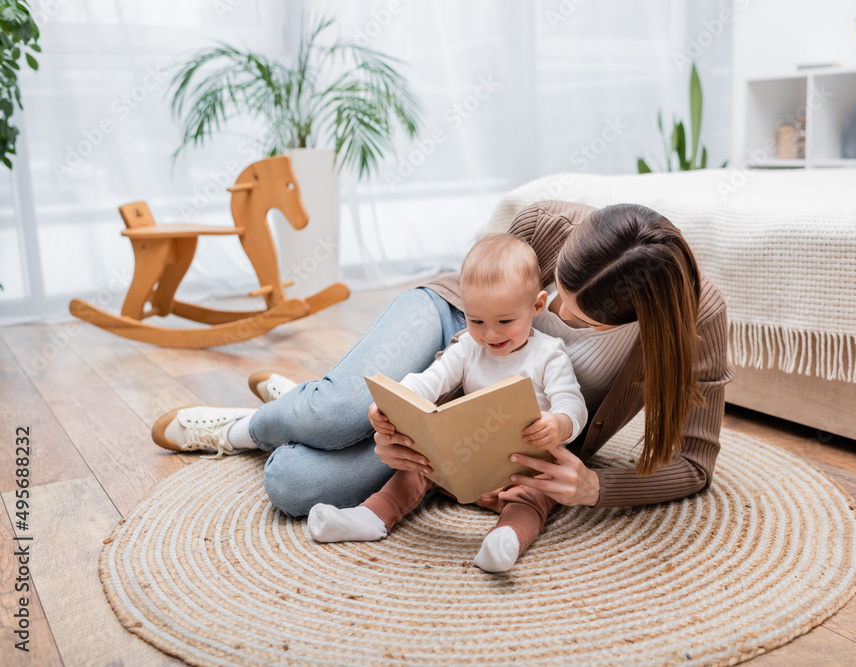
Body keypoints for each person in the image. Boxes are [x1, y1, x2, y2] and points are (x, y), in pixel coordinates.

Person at [152, 200, 733, 530]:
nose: (553, 309)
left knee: (293, 484)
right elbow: (476, 308)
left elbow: (693, 464)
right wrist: (413, 417)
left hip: (488, 419)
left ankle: (310, 403)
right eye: (555, 290)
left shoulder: (698, 318)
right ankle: (250, 425)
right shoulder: (550, 225)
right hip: (452, 330)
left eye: (576, 320)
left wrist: (594, 484)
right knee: (337, 416)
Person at [306, 233, 587, 573]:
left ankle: (506, 541)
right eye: (477, 320)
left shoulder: (548, 353)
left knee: (533, 499)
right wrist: (393, 405)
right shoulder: (469, 346)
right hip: (462, 466)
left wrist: (558, 424)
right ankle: (370, 517)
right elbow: (429, 380)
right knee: (415, 468)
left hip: (520, 472)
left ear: (537, 306)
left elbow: (573, 403)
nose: (491, 335)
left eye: (505, 322)